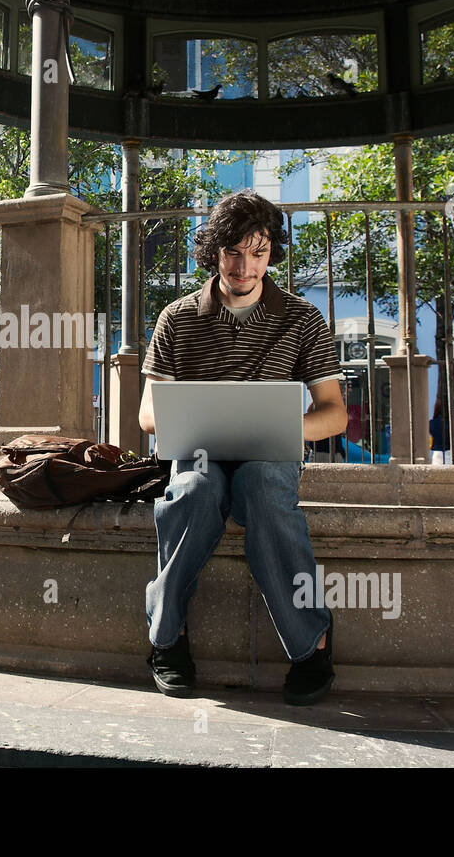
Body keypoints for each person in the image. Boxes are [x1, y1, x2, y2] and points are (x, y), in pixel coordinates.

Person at [137, 190, 348, 706]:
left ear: (272, 253)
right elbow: (146, 415)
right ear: (214, 251)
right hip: (200, 452)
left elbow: (335, 412)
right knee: (193, 491)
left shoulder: (303, 319)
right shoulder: (177, 317)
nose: (244, 266)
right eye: (233, 252)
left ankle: (311, 642)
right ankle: (167, 638)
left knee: (263, 487)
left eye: (258, 252)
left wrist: (280, 427)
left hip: (270, 453)